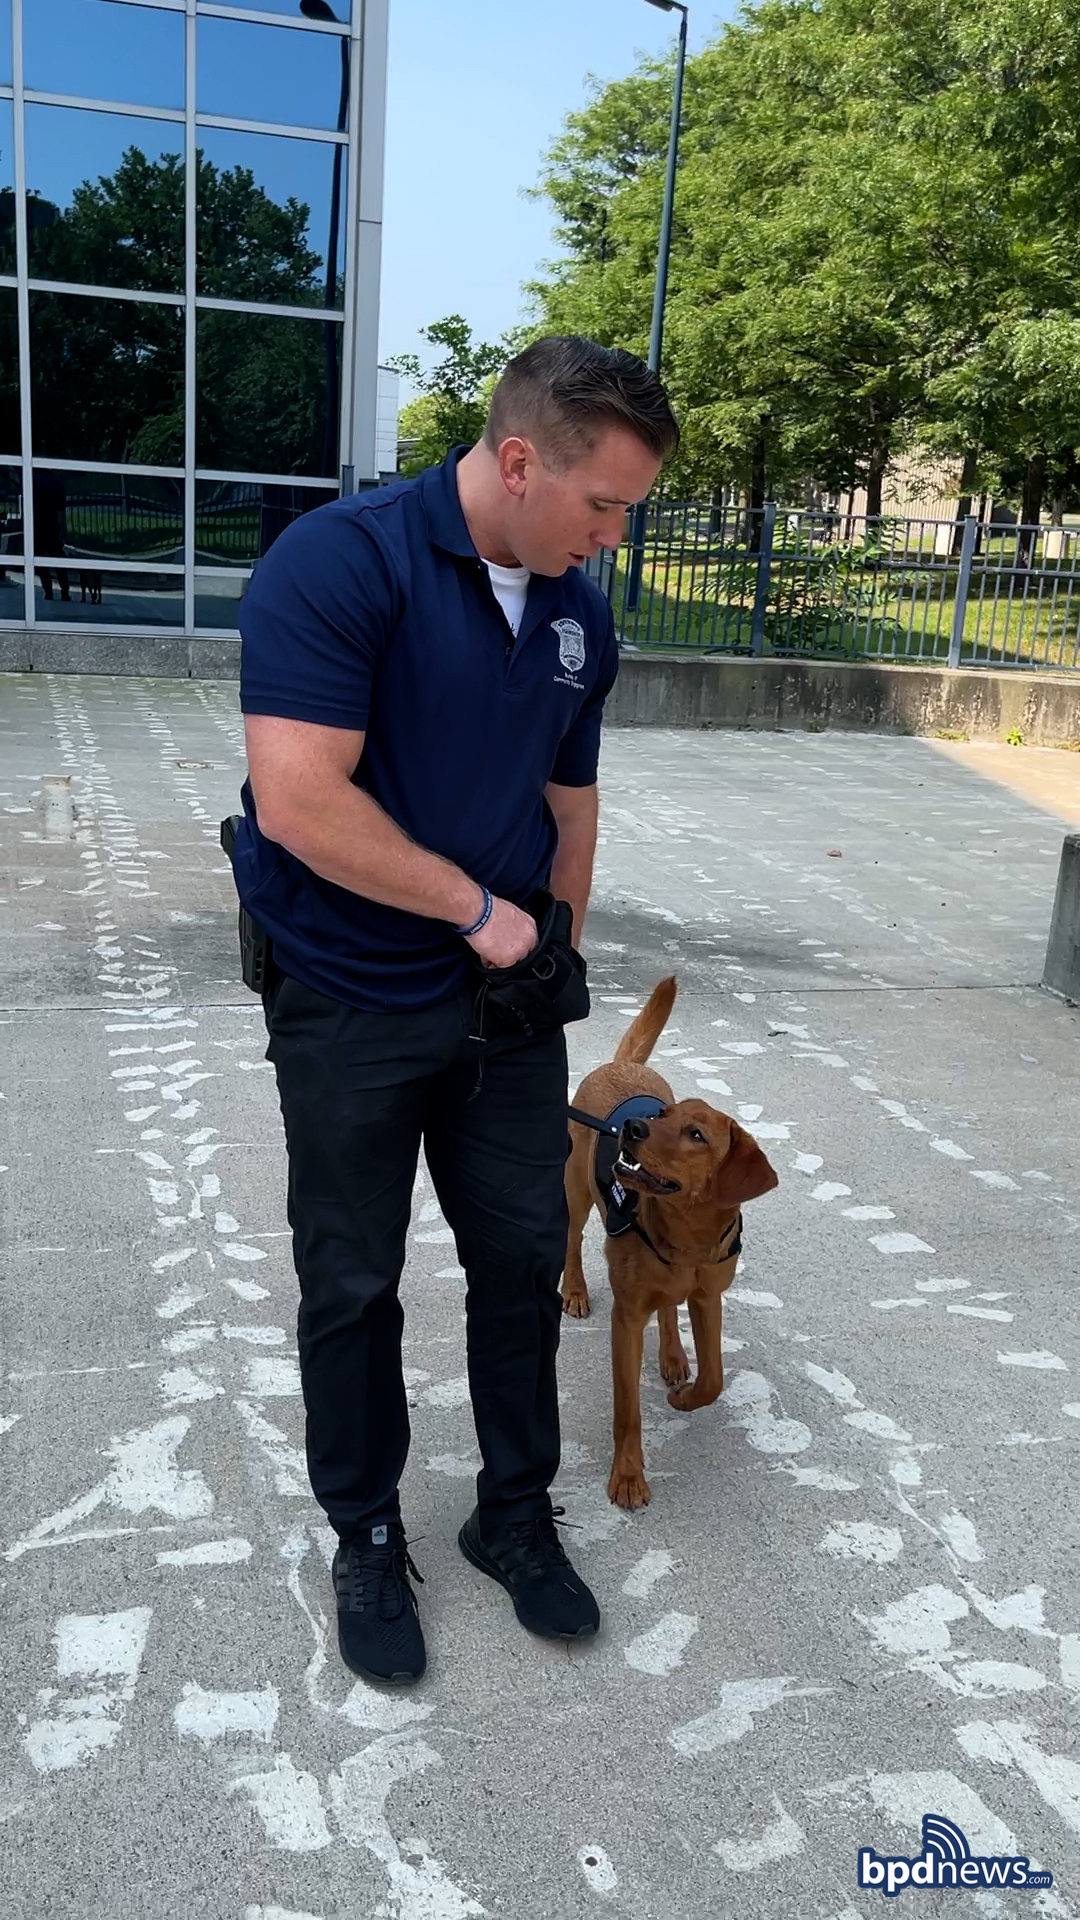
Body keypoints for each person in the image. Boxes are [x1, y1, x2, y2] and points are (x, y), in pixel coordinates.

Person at [233, 335, 679, 1684]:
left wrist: (559, 947)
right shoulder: (340, 563)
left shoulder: (575, 614)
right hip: (352, 997)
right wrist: (485, 918)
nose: (612, 539)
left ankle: (510, 1512)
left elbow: (568, 799)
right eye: (603, 505)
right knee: (355, 1279)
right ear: (520, 458)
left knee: (520, 1265)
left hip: (505, 1019)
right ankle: (366, 1528)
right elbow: (301, 799)